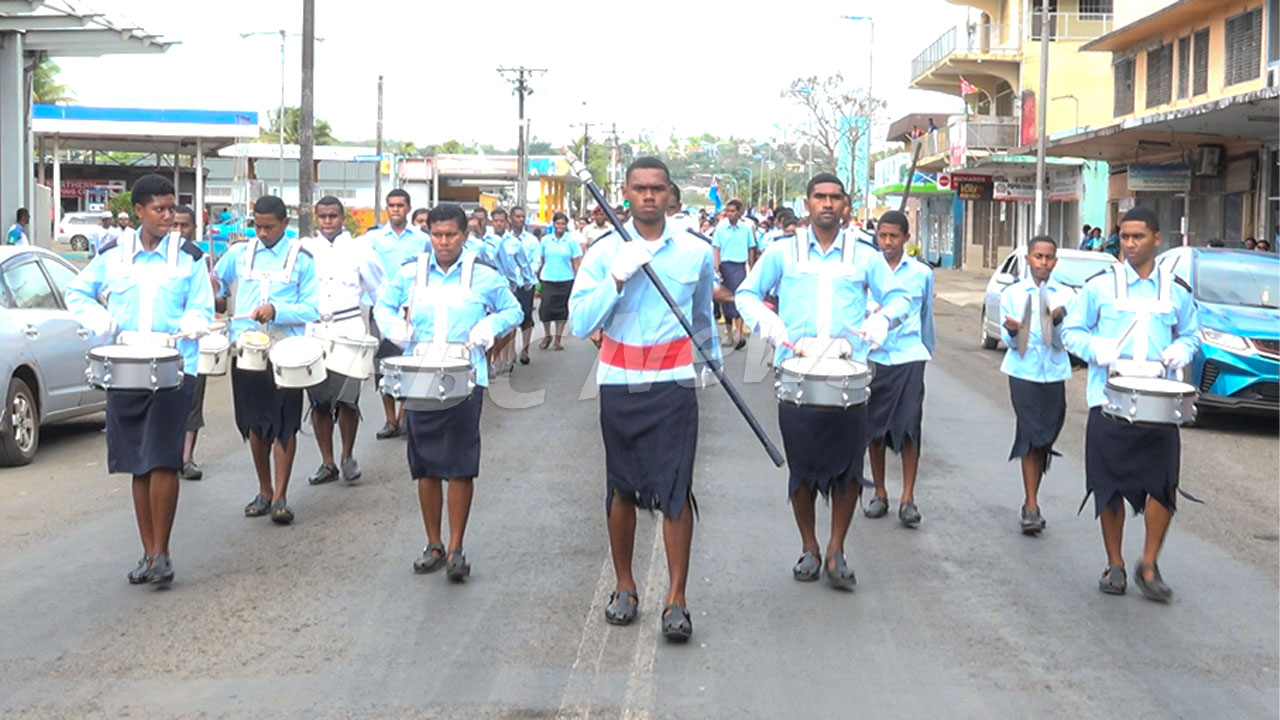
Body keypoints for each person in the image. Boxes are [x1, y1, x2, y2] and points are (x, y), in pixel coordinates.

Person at [569, 156, 720, 641]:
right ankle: (625, 586)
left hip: (674, 383)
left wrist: (711, 363)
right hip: (619, 382)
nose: (649, 195)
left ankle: (676, 600)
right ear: (626, 194)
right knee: (623, 487)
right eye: (639, 188)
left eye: (657, 188)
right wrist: (616, 278)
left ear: (670, 193)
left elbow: (702, 317)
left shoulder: (695, 251)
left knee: (676, 488)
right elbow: (580, 322)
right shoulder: (603, 253)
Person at [736, 173, 908, 588]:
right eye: (819, 197)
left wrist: (883, 319)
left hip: (849, 376)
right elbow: (745, 294)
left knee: (849, 469)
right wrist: (769, 325)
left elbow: (901, 297)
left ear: (845, 205)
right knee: (802, 469)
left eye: (835, 197)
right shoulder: (783, 251)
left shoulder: (864, 254)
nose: (827, 204)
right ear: (808, 203)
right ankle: (809, 545)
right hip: (797, 374)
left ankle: (836, 549)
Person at [64, 174, 214, 585]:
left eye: (171, 209)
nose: (168, 217)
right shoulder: (114, 254)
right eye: (159, 209)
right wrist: (103, 322)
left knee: (163, 457)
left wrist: (193, 322)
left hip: (173, 366)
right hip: (126, 366)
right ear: (139, 211)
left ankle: (162, 553)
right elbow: (77, 292)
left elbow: (202, 306)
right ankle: (147, 552)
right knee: (137, 462)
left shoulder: (189, 257)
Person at [375, 203, 521, 582]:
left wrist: (488, 327)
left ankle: (456, 547)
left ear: (464, 235)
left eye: (451, 235)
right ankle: (434, 543)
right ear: (429, 235)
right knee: (424, 461)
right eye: (437, 235)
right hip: (420, 371)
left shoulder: (483, 275)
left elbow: (513, 310)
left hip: (464, 373)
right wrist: (396, 330)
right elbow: (383, 305)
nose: (443, 242)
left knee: (459, 461)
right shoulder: (411, 272)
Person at [1061, 206, 1199, 602]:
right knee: (1108, 485)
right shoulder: (1100, 286)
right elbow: (1071, 330)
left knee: (1164, 485)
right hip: (1109, 399)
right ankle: (1115, 563)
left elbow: (1191, 334)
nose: (1130, 243)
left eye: (1138, 236)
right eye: (1124, 236)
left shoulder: (1176, 290)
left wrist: (1181, 350)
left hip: (1159, 402)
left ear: (1157, 238)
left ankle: (1149, 563)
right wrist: (1095, 349)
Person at [214, 195, 320, 524]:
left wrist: (277, 311)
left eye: (269, 227)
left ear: (285, 224)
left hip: (286, 352)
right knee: (254, 422)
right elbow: (217, 283)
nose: (262, 233)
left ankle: (281, 496)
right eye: (257, 226)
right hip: (247, 349)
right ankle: (264, 489)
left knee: (284, 423)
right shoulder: (238, 253)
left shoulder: (302, 259)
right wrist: (216, 297)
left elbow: (313, 308)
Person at [300, 196, 386, 486]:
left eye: (333, 216)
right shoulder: (305, 249)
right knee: (318, 401)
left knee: (348, 399)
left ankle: (347, 455)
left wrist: (388, 328)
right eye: (322, 216)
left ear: (342, 217)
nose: (327, 222)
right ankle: (327, 462)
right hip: (315, 331)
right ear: (316, 217)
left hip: (349, 329)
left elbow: (379, 291)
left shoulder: (360, 249)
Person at [864, 210, 936, 527]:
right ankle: (880, 492)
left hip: (909, 357)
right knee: (874, 429)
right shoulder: (866, 270)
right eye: (882, 236)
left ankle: (908, 497)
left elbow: (926, 316)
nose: (888, 242)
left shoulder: (921, 273)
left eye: (894, 236)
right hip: (875, 357)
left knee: (909, 425)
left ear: (906, 238)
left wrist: (925, 351)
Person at [999, 236, 1072, 535]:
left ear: (1055, 261)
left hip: (1053, 373)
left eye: (1048, 257)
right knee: (1030, 433)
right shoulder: (1013, 294)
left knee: (1045, 437)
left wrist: (1057, 321)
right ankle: (1031, 505)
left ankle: (1033, 495)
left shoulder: (1066, 296)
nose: (1043, 262)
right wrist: (1012, 331)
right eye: (1038, 256)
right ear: (1028, 258)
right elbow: (1010, 342)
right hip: (1023, 372)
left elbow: (1067, 341)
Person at [369, 189, 426, 439]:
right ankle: (389, 419)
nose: (395, 209)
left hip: (410, 310)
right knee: (382, 365)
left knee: (410, 364)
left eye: (400, 205)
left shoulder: (422, 240)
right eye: (391, 205)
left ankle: (404, 416)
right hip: (382, 309)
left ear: (408, 208)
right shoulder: (373, 238)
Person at [173, 205, 224, 481]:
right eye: (174, 225)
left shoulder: (198, 260)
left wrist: (215, 296)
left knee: (192, 401)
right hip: (160, 346)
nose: (179, 231)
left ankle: (186, 458)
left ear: (194, 228)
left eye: (184, 225)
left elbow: (215, 302)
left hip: (192, 346)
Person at [712, 198, 756, 350]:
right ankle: (729, 334)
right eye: (728, 211)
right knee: (726, 301)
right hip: (725, 267)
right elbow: (716, 248)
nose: (730, 214)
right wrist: (717, 267)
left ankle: (739, 334)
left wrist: (751, 266)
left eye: (733, 211)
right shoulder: (721, 228)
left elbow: (751, 248)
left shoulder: (746, 228)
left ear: (739, 213)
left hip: (739, 267)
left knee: (739, 298)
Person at [538, 211, 582, 350]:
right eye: (558, 223)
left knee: (561, 311)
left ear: (566, 225)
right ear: (554, 224)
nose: (560, 226)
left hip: (566, 279)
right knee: (545, 310)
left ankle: (558, 339)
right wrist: (537, 280)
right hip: (547, 279)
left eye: (563, 224)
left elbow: (576, 262)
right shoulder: (545, 240)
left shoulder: (571, 241)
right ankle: (547, 335)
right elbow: (541, 260)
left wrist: (578, 280)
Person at [508, 206, 540, 365]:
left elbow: (536, 261)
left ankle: (525, 350)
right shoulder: (505, 240)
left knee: (526, 317)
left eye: (522, 216)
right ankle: (511, 351)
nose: (520, 219)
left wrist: (526, 273)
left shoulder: (532, 240)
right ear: (511, 218)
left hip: (526, 284)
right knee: (510, 317)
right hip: (510, 284)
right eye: (517, 216)